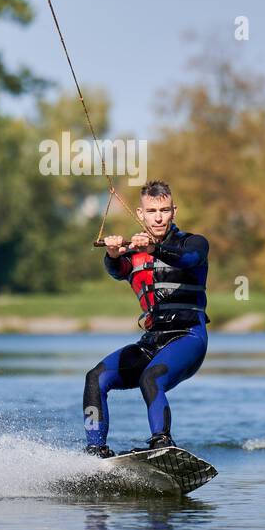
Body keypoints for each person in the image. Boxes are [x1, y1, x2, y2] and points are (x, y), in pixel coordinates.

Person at [84, 180, 209, 457]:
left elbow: (188, 259)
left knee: (151, 378)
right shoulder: (134, 252)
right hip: (152, 341)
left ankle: (162, 443)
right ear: (140, 214)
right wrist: (112, 253)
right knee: (95, 378)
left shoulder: (194, 243)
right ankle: (95, 450)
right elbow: (118, 269)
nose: (159, 217)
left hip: (188, 337)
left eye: (164, 210)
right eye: (152, 211)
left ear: (174, 211)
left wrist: (155, 249)